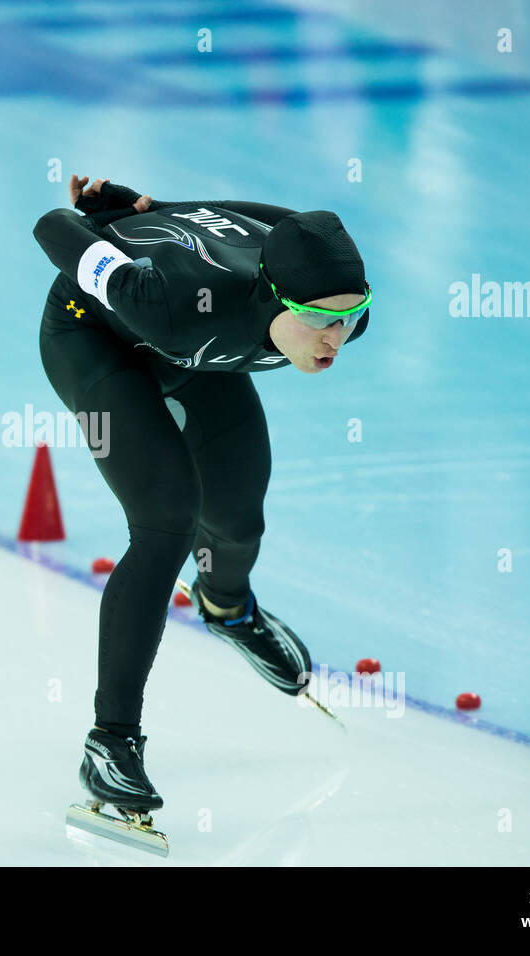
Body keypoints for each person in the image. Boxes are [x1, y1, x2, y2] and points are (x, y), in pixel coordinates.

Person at [32, 176, 372, 812]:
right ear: (277, 299)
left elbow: (271, 217)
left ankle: (226, 607)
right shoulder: (174, 301)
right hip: (98, 338)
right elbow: (50, 231)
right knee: (168, 522)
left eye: (351, 317)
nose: (338, 339)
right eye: (323, 321)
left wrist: (153, 207)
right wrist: (95, 223)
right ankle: (110, 742)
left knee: (240, 513)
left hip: (198, 352)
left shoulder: (325, 295)